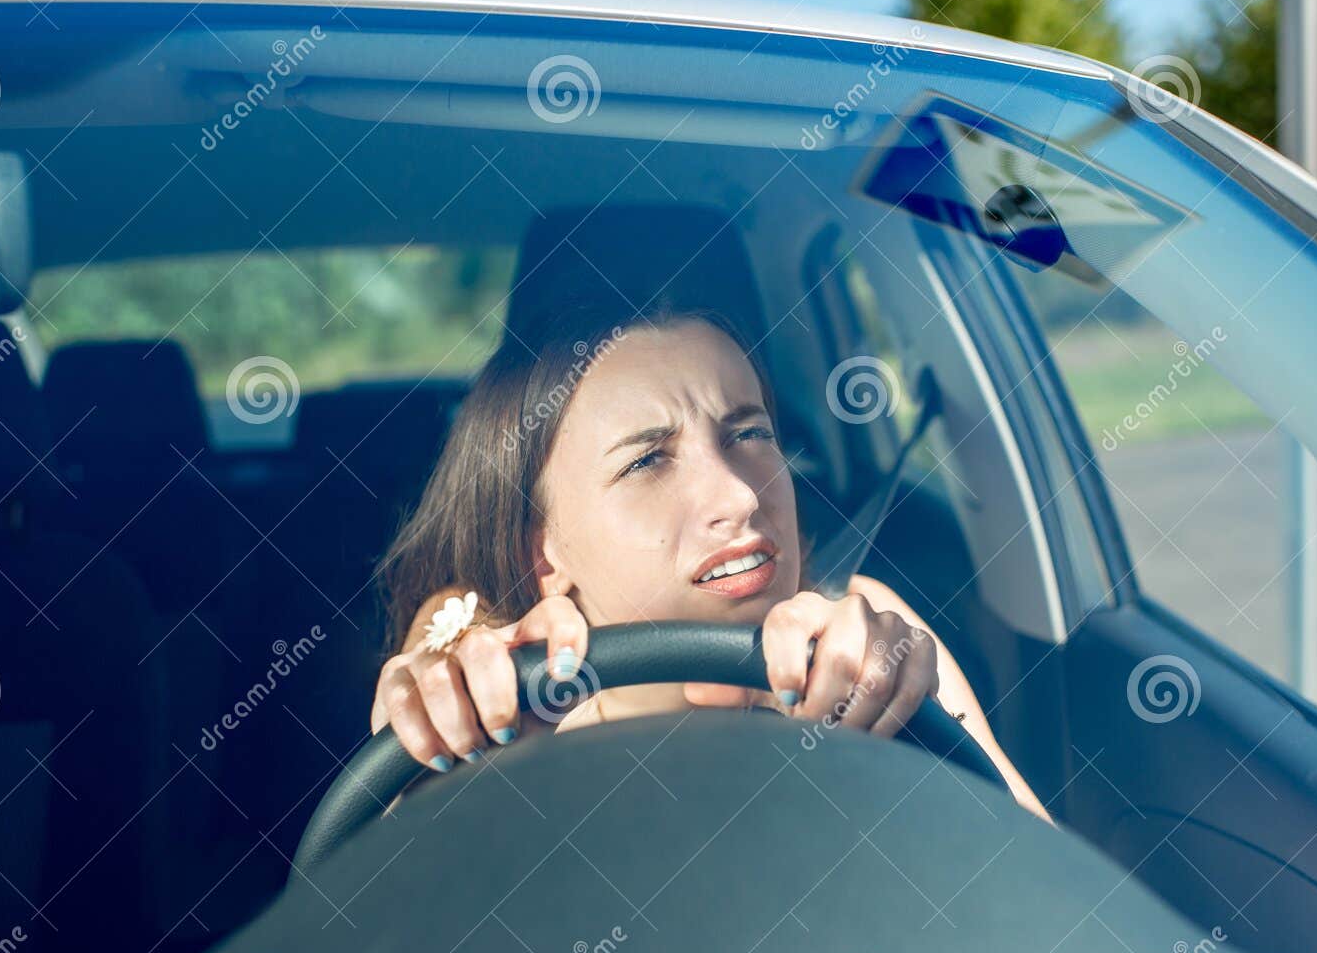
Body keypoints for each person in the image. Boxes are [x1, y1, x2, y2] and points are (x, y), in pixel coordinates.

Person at [372, 301, 1050, 823]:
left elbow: (1053, 905)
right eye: (646, 461)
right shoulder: (494, 730)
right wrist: (443, 777)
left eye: (749, 433)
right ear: (541, 553)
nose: (738, 494)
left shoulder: (868, 628)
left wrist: (899, 741)